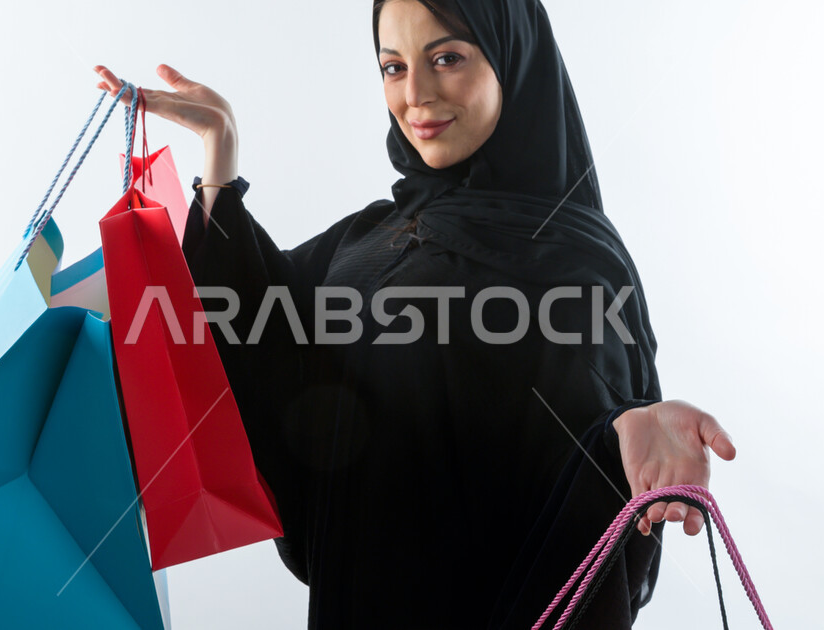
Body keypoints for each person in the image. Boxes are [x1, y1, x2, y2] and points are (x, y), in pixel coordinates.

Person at [95, 0, 736, 627]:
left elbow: (570, 449)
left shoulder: (579, 266)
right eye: (393, 67)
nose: (417, 95)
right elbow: (261, 331)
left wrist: (621, 430)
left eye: (447, 57)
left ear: (512, 59)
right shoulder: (378, 235)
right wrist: (219, 155)